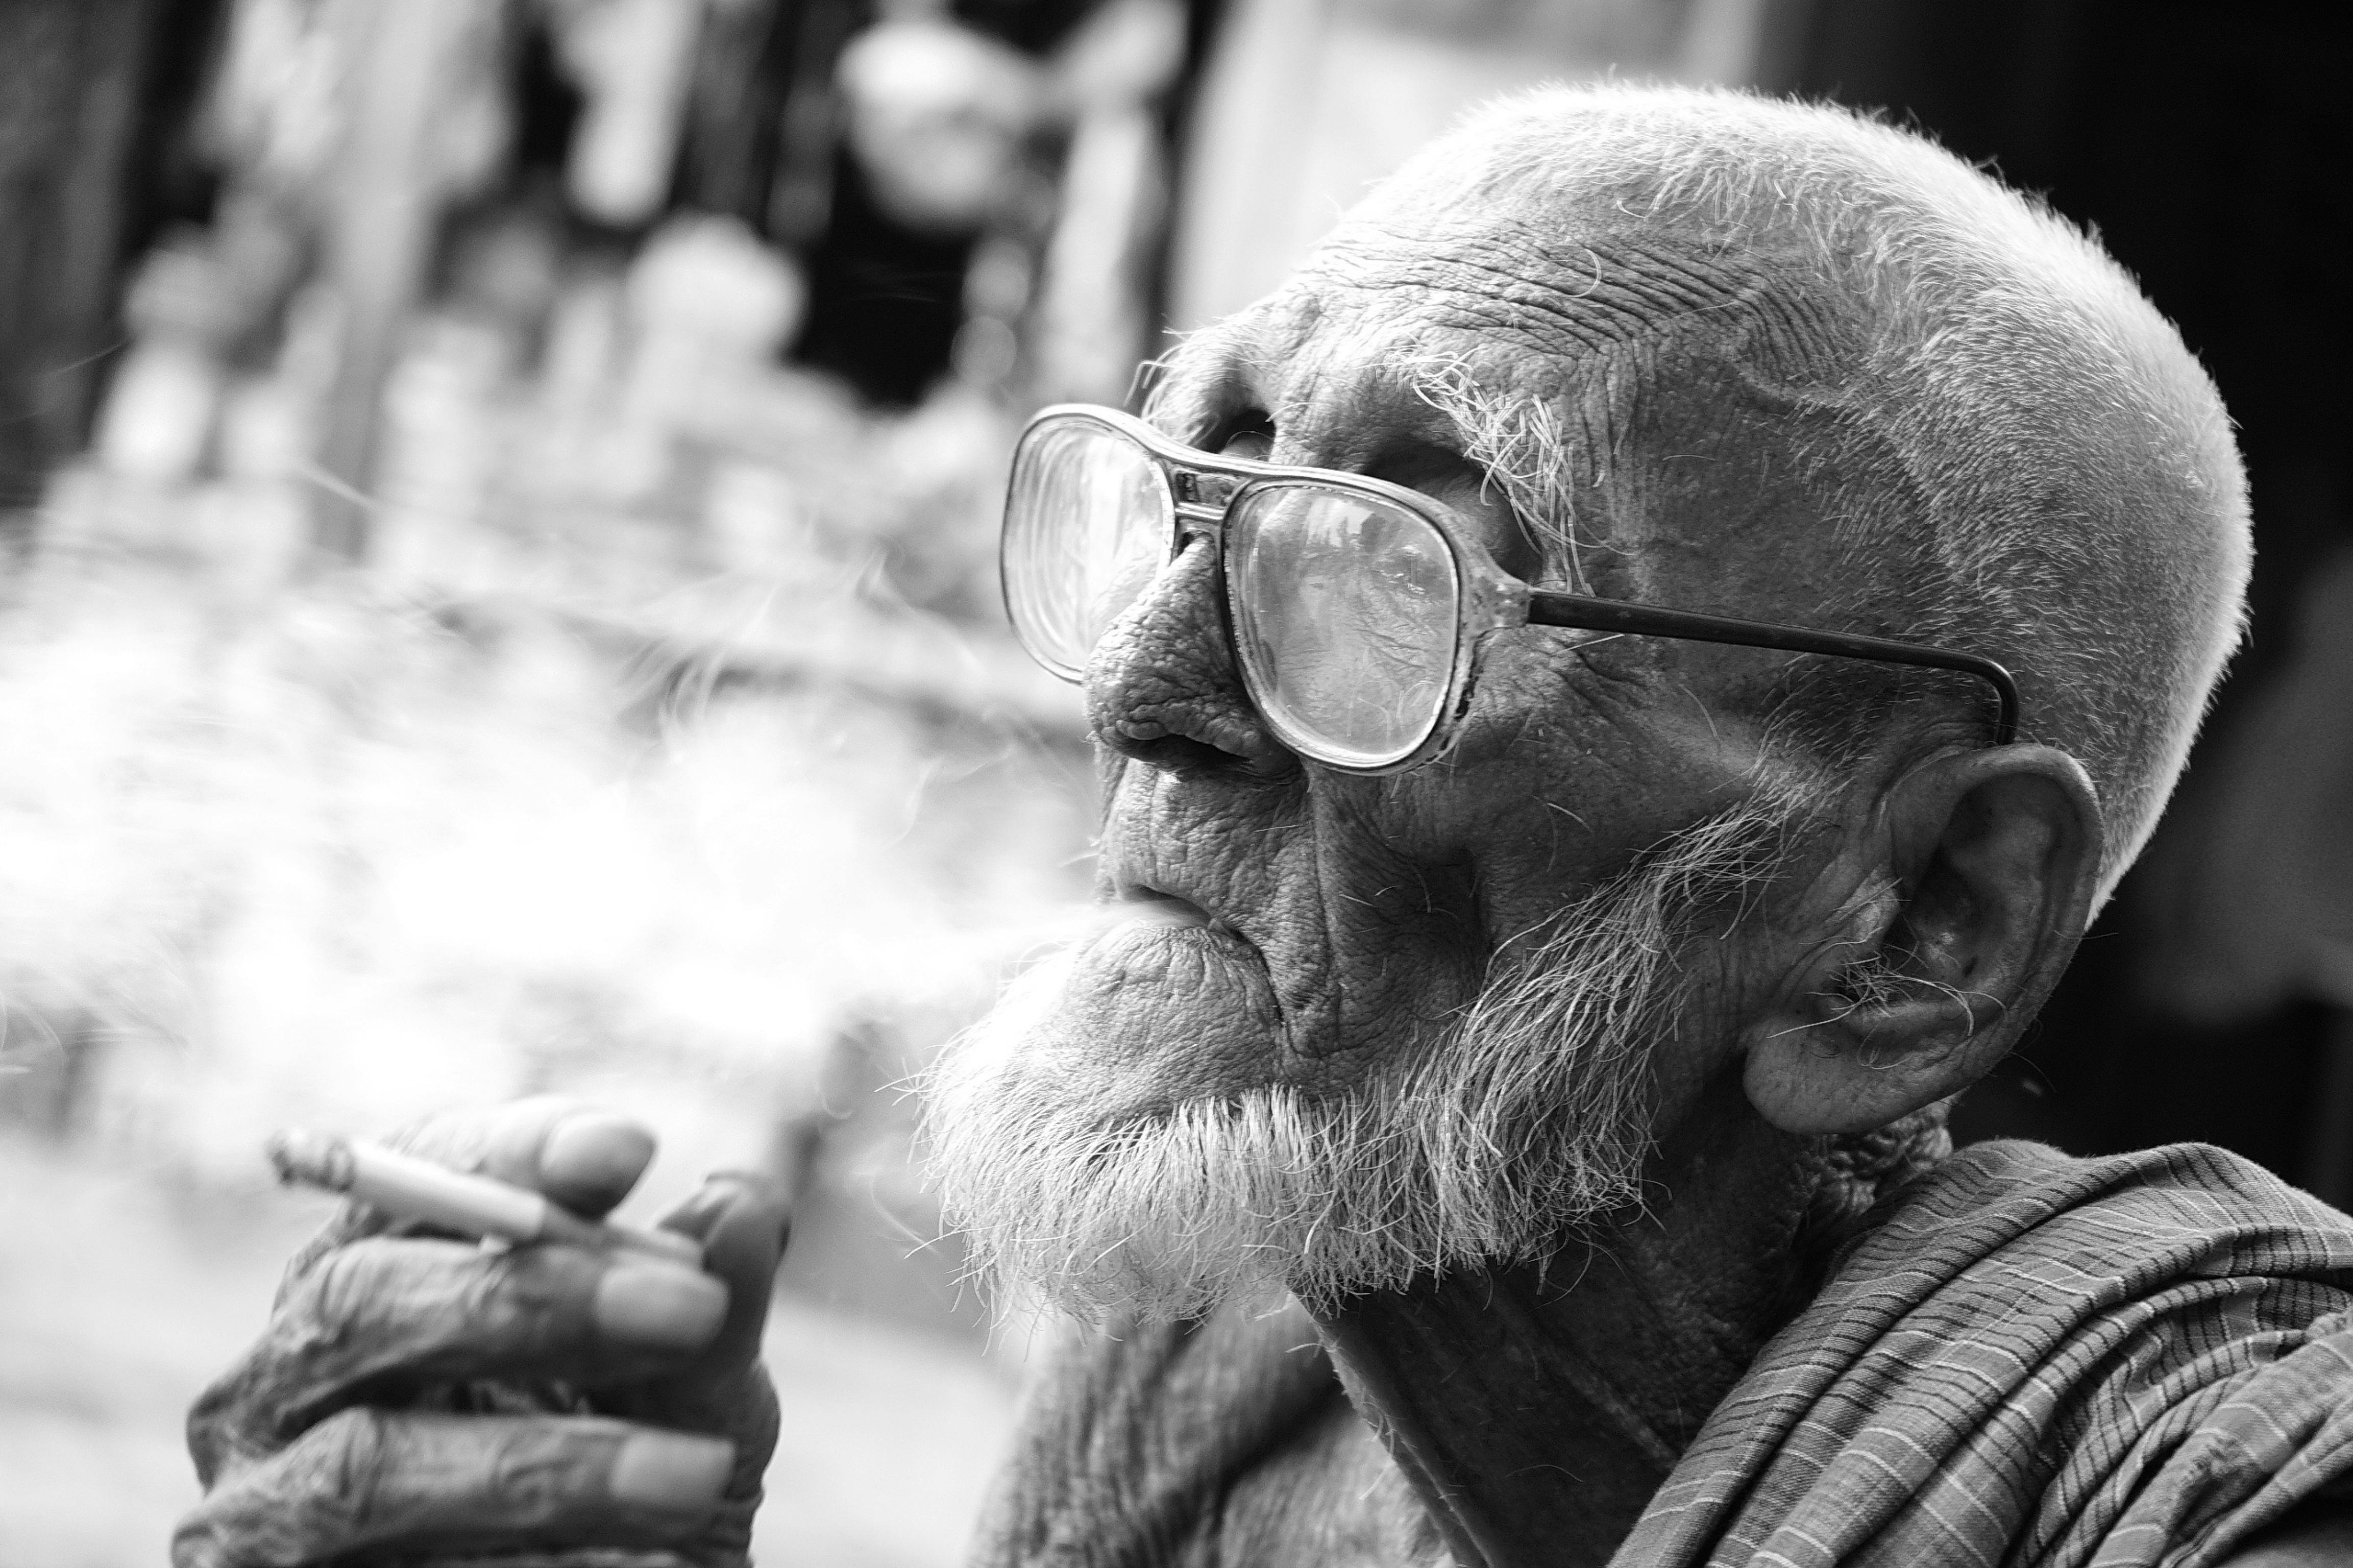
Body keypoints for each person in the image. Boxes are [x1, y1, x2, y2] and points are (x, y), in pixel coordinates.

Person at [172, 86, 2353, 1567]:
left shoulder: (2214, 1472)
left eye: (1388, 565)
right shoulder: (1210, 1385)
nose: (1142, 690)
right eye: (1189, 492)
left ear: (1919, 924)